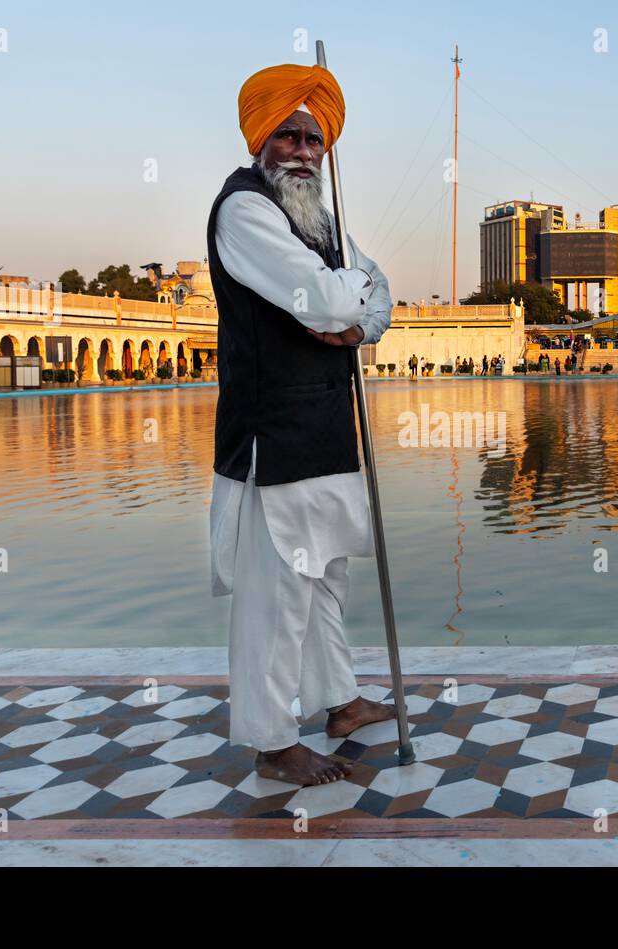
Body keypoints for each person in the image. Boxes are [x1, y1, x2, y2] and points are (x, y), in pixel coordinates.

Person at [208, 62, 398, 787]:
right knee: (277, 594)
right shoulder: (246, 211)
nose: (302, 151)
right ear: (263, 139)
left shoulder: (320, 222)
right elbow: (323, 299)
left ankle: (338, 701)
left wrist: (350, 321)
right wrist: (340, 309)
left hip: (324, 433)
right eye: (288, 136)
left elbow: (375, 302)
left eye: (313, 140)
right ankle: (269, 738)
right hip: (274, 437)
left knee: (325, 580)